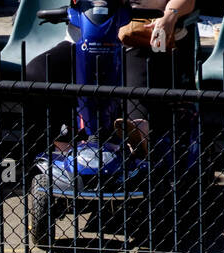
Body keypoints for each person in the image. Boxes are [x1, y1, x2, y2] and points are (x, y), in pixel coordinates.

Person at [22, 0, 199, 147]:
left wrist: (170, 14)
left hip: (135, 42)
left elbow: (187, 2)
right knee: (36, 72)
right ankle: (50, 151)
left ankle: (137, 165)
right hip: (83, 41)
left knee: (136, 112)